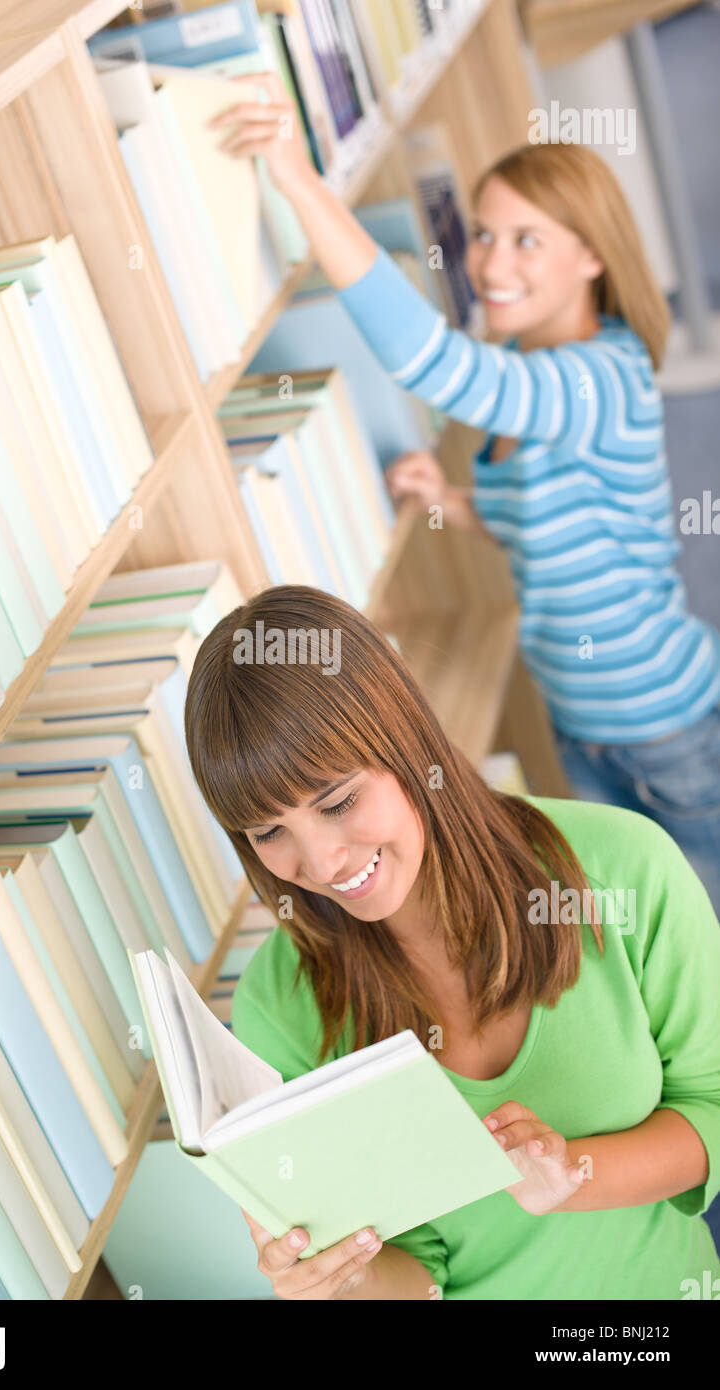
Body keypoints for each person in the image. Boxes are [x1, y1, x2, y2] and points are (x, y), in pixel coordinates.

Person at [208, 81, 720, 916]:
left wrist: (299, 180)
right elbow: (544, 526)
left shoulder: (599, 376)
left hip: (662, 723)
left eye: (529, 240)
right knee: (649, 919)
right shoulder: (535, 376)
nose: (491, 262)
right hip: (580, 714)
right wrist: (451, 496)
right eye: (483, 234)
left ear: (594, 254)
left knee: (700, 921)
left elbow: (434, 365)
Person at [184, 584, 720, 1300]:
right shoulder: (279, 1007)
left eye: (339, 801)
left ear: (406, 742)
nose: (320, 864)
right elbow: (418, 1271)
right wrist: (344, 1280)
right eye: (268, 832)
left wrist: (575, 1174)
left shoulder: (625, 868)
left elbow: (710, 1109)